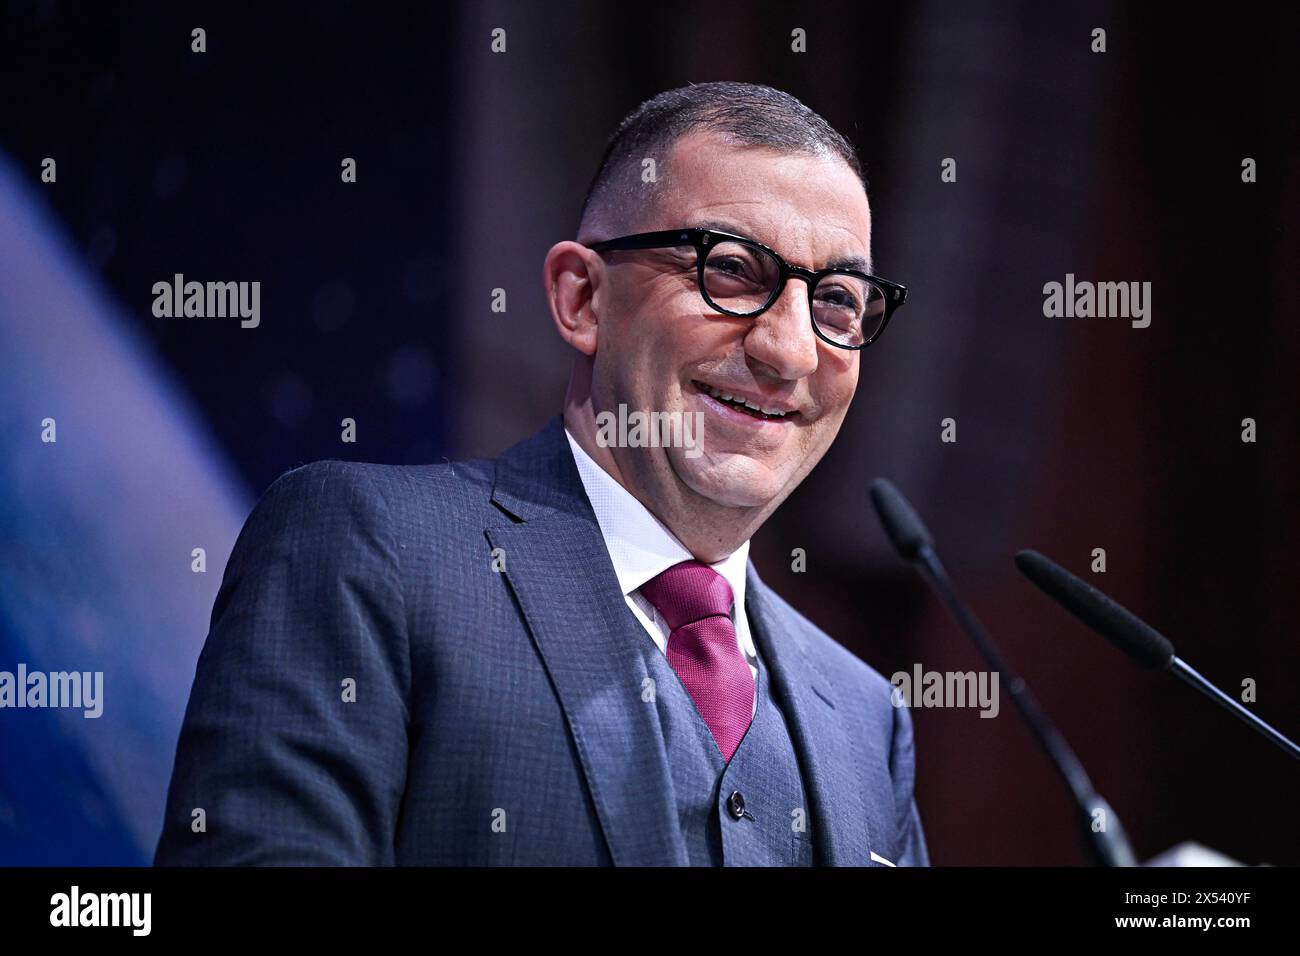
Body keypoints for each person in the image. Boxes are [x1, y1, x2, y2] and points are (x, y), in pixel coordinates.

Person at [155, 81, 929, 866]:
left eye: (837, 299)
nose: (790, 350)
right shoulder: (369, 549)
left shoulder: (866, 718)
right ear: (583, 298)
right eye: (729, 269)